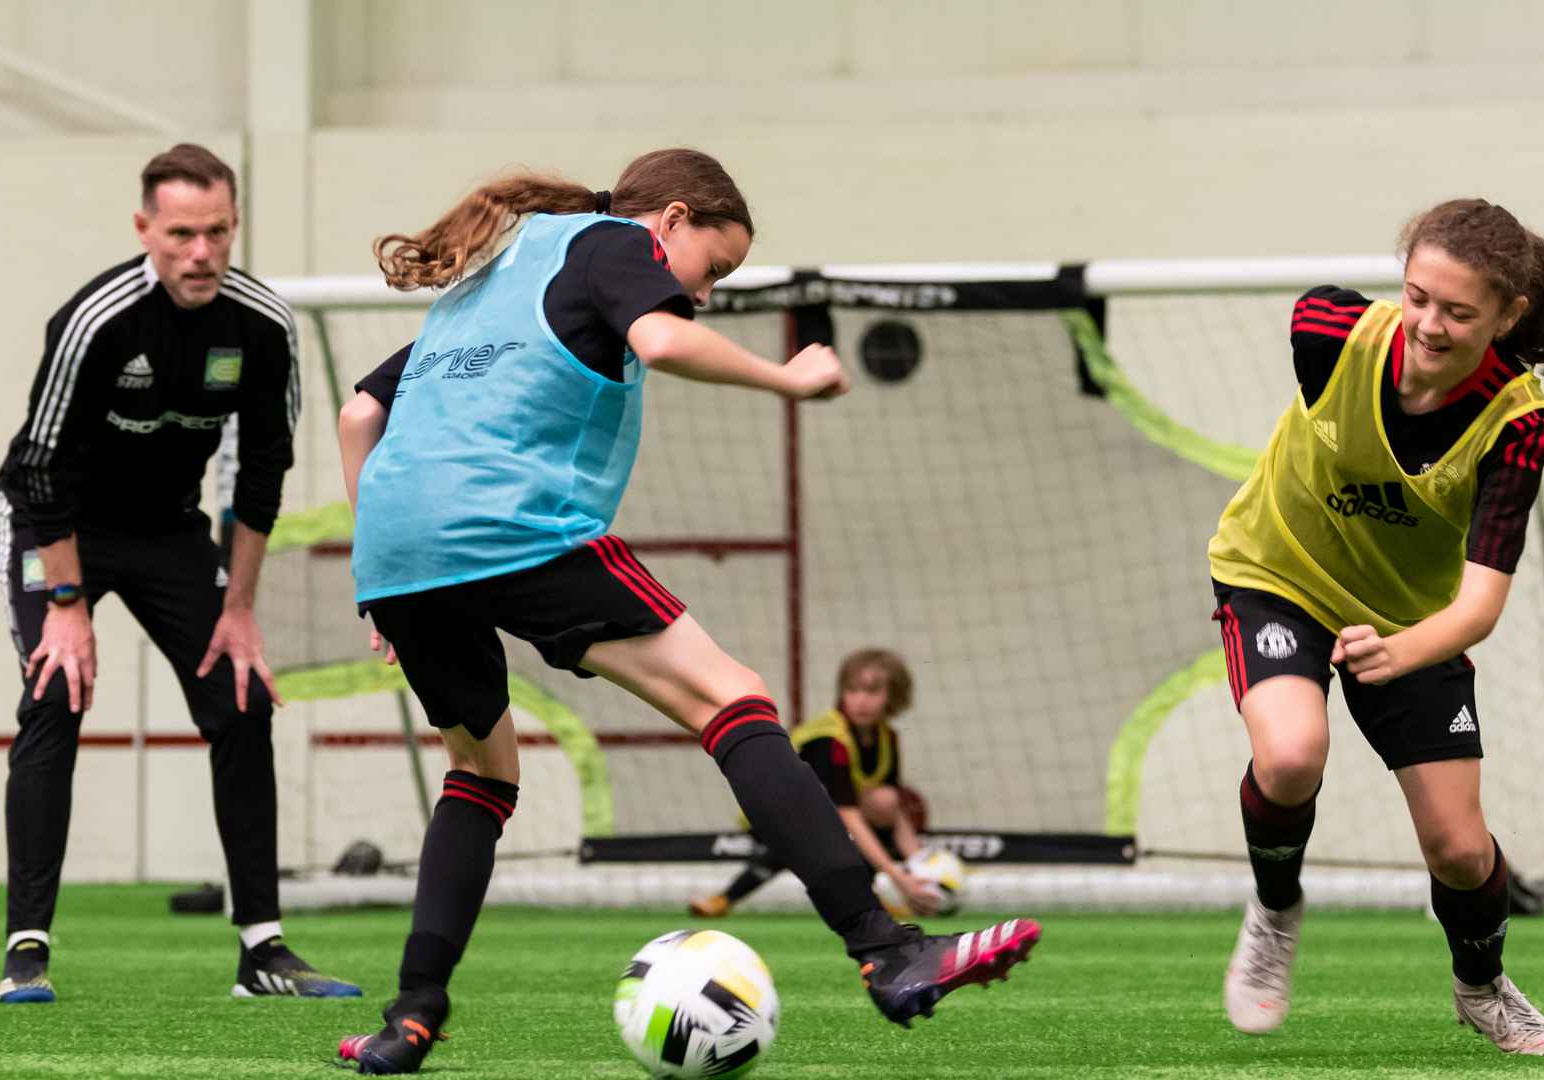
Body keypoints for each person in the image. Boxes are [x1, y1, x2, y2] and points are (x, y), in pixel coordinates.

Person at [330, 149, 1040, 1074]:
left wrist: (379, 573)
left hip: (397, 552)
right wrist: (787, 378)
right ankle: (888, 951)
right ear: (669, 221)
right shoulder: (615, 243)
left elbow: (358, 416)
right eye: (715, 267)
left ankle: (412, 1015)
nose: (704, 293)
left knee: (481, 773)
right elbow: (662, 341)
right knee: (734, 699)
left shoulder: (498, 272)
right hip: (509, 525)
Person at [1207, 199, 1544, 1056]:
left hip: (1412, 621)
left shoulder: (1518, 424)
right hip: (1278, 575)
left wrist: (1402, 649)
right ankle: (1276, 912)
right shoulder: (1325, 331)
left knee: (1461, 852)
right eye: (1417, 296)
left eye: (1458, 311)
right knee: (1288, 756)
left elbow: (1480, 605)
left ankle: (1483, 987)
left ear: (1507, 317)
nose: (1428, 323)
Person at [0, 144, 357, 1004]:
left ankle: (263, 953)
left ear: (235, 228)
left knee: (242, 698)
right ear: (145, 229)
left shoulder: (264, 325)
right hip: (57, 522)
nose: (202, 252)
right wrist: (69, 607)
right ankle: (26, 951)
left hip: (165, 529)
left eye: (219, 232)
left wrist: (240, 608)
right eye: (183, 233)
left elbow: (264, 470)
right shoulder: (96, 321)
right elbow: (40, 469)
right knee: (57, 688)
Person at [689, 648, 946, 918]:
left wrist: (922, 868)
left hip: (824, 812)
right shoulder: (830, 739)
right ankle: (724, 899)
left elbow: (891, 811)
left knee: (884, 801)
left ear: (893, 696)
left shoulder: (887, 737)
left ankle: (872, 900)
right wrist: (896, 877)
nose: (861, 701)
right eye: (853, 690)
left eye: (872, 692)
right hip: (768, 811)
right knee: (801, 831)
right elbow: (849, 815)